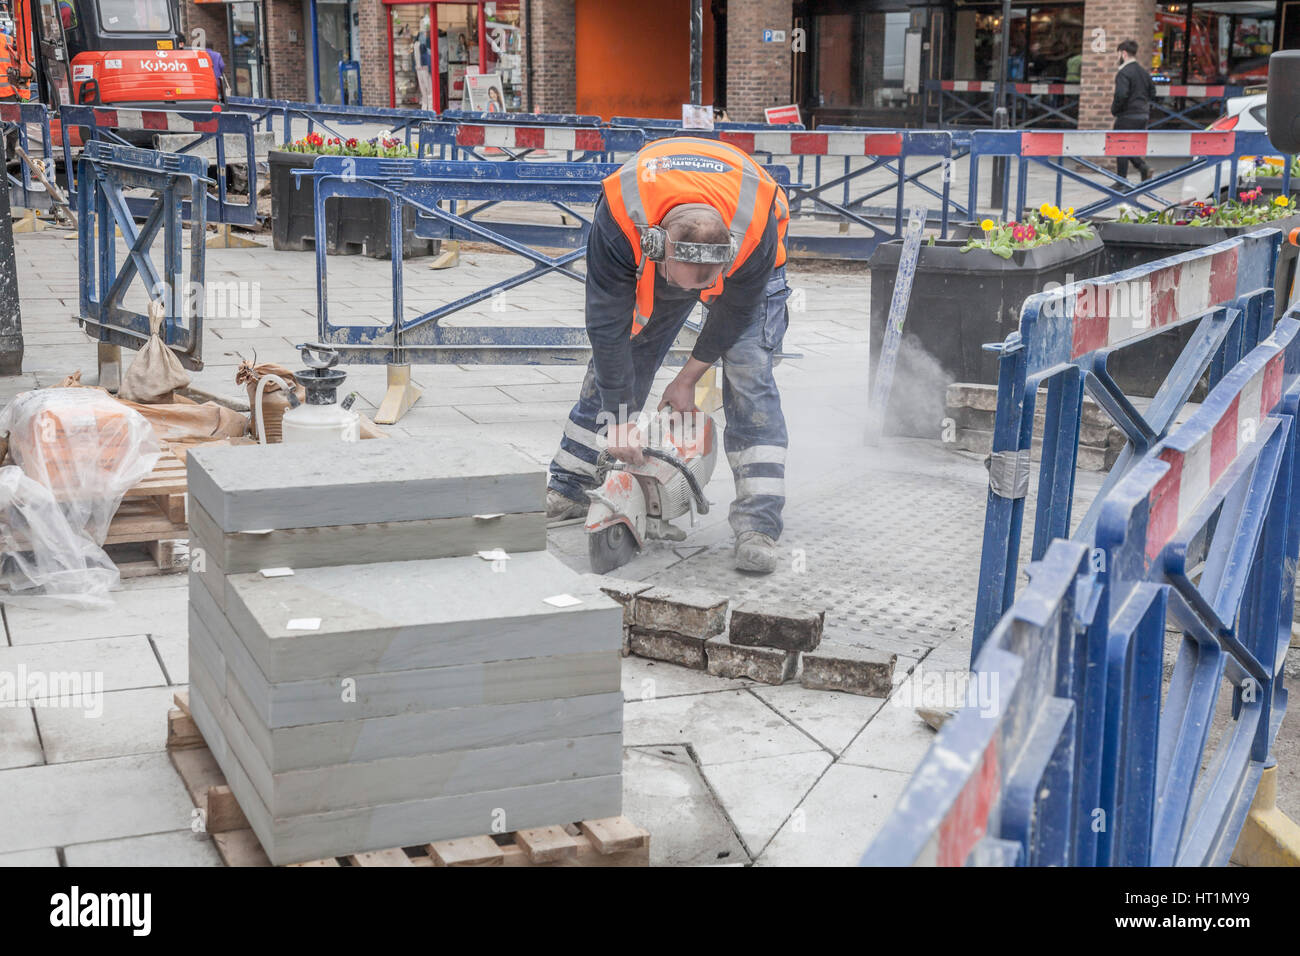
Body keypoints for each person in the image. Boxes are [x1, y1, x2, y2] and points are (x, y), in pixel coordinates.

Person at [545, 137, 793, 573]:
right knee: (629, 350)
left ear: (727, 254)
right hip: (656, 244)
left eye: (706, 284)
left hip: (751, 269)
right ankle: (569, 485)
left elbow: (735, 313)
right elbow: (606, 325)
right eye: (687, 286)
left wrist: (687, 378)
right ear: (656, 249)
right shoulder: (622, 216)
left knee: (748, 375)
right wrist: (619, 418)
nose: (696, 297)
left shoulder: (754, 229)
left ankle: (759, 523)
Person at [1112, 38, 1155, 182]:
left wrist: (1115, 110)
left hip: (1127, 114)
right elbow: (1153, 93)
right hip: (1142, 115)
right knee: (1129, 145)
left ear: (1123, 54)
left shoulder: (1124, 72)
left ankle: (1121, 181)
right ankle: (1143, 168)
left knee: (1120, 144)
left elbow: (1121, 95)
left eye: (1117, 54)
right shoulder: (1143, 72)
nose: (1117, 58)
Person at [415, 17, 432, 111]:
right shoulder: (419, 37)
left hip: (425, 67)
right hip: (419, 68)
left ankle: (429, 109)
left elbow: (427, 53)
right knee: (424, 91)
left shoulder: (427, 38)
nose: (422, 26)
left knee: (429, 90)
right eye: (421, 23)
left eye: (423, 23)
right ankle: (425, 108)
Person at [437, 29, 449, 111]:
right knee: (447, 90)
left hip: (440, 70)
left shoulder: (436, 41)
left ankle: (441, 106)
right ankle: (447, 105)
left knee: (441, 90)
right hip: (447, 68)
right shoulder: (447, 41)